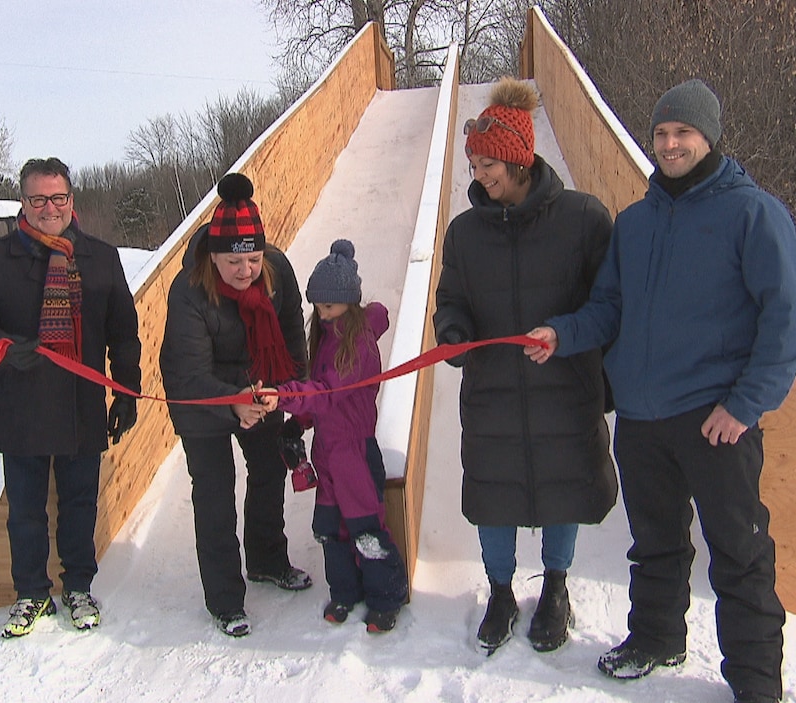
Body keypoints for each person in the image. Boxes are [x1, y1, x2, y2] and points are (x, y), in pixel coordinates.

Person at [525, 79, 796, 703]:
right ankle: (656, 637)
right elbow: (607, 308)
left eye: (682, 132)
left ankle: (757, 682)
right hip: (642, 417)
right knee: (655, 541)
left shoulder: (752, 213)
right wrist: (561, 333)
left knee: (739, 553)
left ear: (708, 136)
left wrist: (743, 404)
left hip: (715, 419)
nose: (670, 143)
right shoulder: (636, 222)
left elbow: (789, 319)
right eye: (660, 133)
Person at [432, 77, 618, 655]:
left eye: (490, 163)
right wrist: (454, 333)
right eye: (476, 164)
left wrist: (563, 334)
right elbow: (452, 299)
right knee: (495, 492)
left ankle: (557, 586)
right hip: (494, 388)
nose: (480, 175)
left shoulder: (585, 219)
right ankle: (501, 591)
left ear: (520, 159)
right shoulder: (464, 233)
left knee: (564, 489)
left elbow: (608, 305)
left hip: (563, 383)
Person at [0, 157, 142, 638]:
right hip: (21, 406)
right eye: (38, 199)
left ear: (71, 200)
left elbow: (124, 333)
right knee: (26, 509)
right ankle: (32, 593)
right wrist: (2, 346)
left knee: (80, 504)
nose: (49, 208)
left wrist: (126, 392)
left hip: (82, 404)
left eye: (58, 198)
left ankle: (78, 585)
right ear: (24, 202)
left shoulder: (100, 257)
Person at [159, 172, 312, 637]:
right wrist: (233, 405)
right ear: (213, 256)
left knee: (268, 470)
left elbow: (291, 335)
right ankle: (225, 599)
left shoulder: (277, 270)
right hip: (201, 398)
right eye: (233, 260)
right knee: (215, 492)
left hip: (258, 386)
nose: (245, 270)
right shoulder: (190, 291)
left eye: (253, 257)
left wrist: (287, 390)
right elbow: (186, 373)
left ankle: (266, 559)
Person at [268, 239, 409, 633]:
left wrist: (284, 398)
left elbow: (326, 392)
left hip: (355, 454)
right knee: (332, 529)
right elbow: (319, 396)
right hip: (329, 451)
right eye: (318, 304)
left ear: (350, 300)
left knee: (365, 527)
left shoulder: (357, 345)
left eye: (328, 305)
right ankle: (345, 590)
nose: (321, 312)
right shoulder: (329, 335)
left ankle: (386, 596)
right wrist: (299, 423)